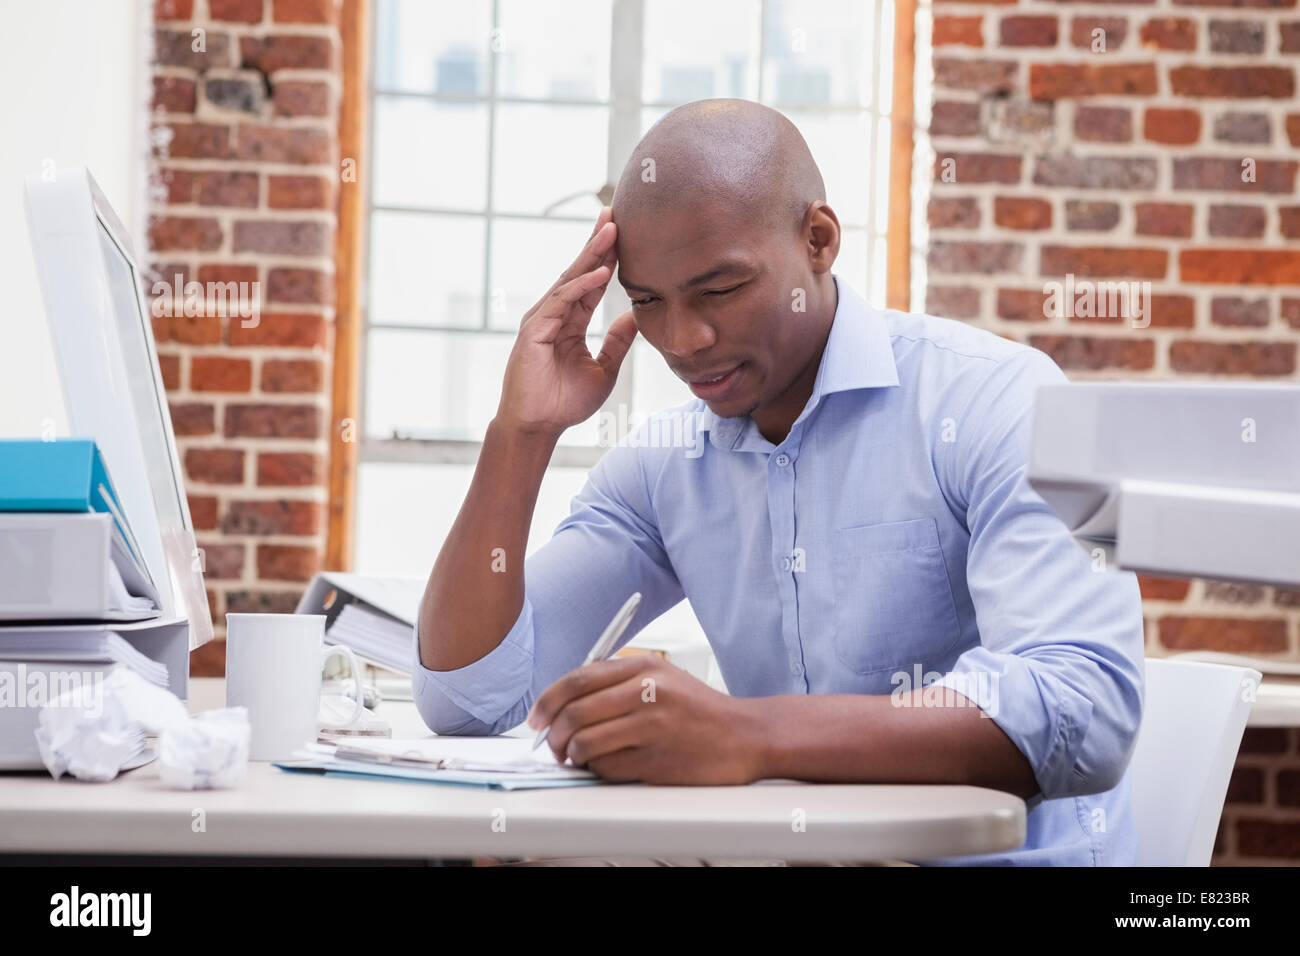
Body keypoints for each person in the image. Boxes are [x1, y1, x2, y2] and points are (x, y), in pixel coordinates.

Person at [412, 98, 1145, 866]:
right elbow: (470, 705)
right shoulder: (666, 467)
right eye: (649, 302)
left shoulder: (999, 400)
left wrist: (747, 734)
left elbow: (1083, 709)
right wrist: (519, 435)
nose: (684, 342)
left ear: (819, 241)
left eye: (720, 290)